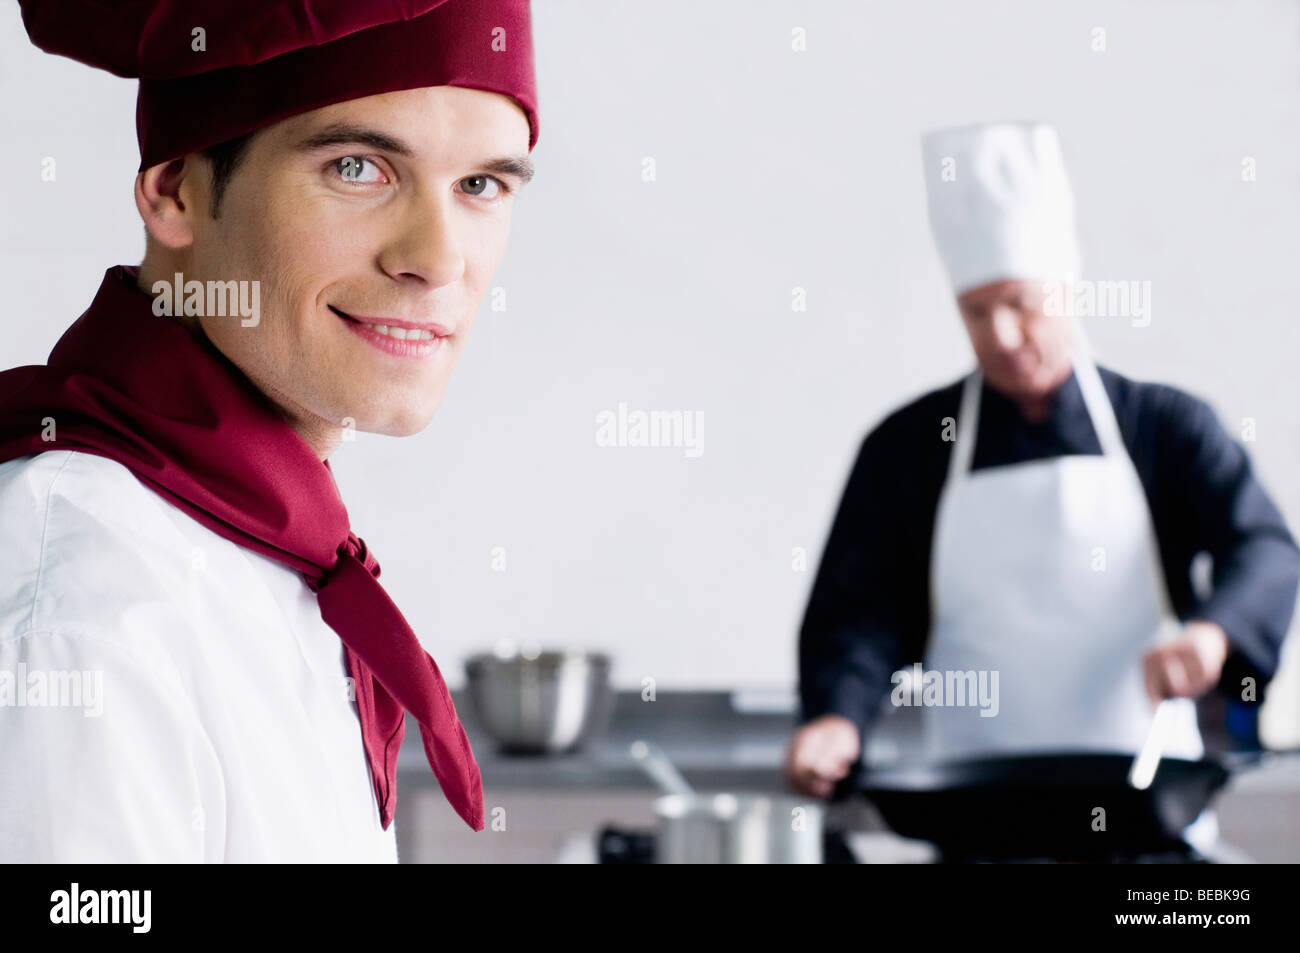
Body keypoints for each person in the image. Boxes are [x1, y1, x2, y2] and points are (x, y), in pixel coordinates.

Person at [0, 0, 538, 861]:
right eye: (359, 167)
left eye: (481, 185)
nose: (438, 258)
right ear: (176, 189)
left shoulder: (259, 538)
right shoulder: (84, 605)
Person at [784, 121, 1299, 853]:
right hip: (973, 822)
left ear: (1067, 285)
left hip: (1148, 825)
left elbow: (1266, 549)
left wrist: (1214, 633)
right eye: (975, 310)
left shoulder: (1163, 425)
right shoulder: (907, 448)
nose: (1001, 332)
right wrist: (836, 715)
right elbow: (856, 614)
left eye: (1021, 302)